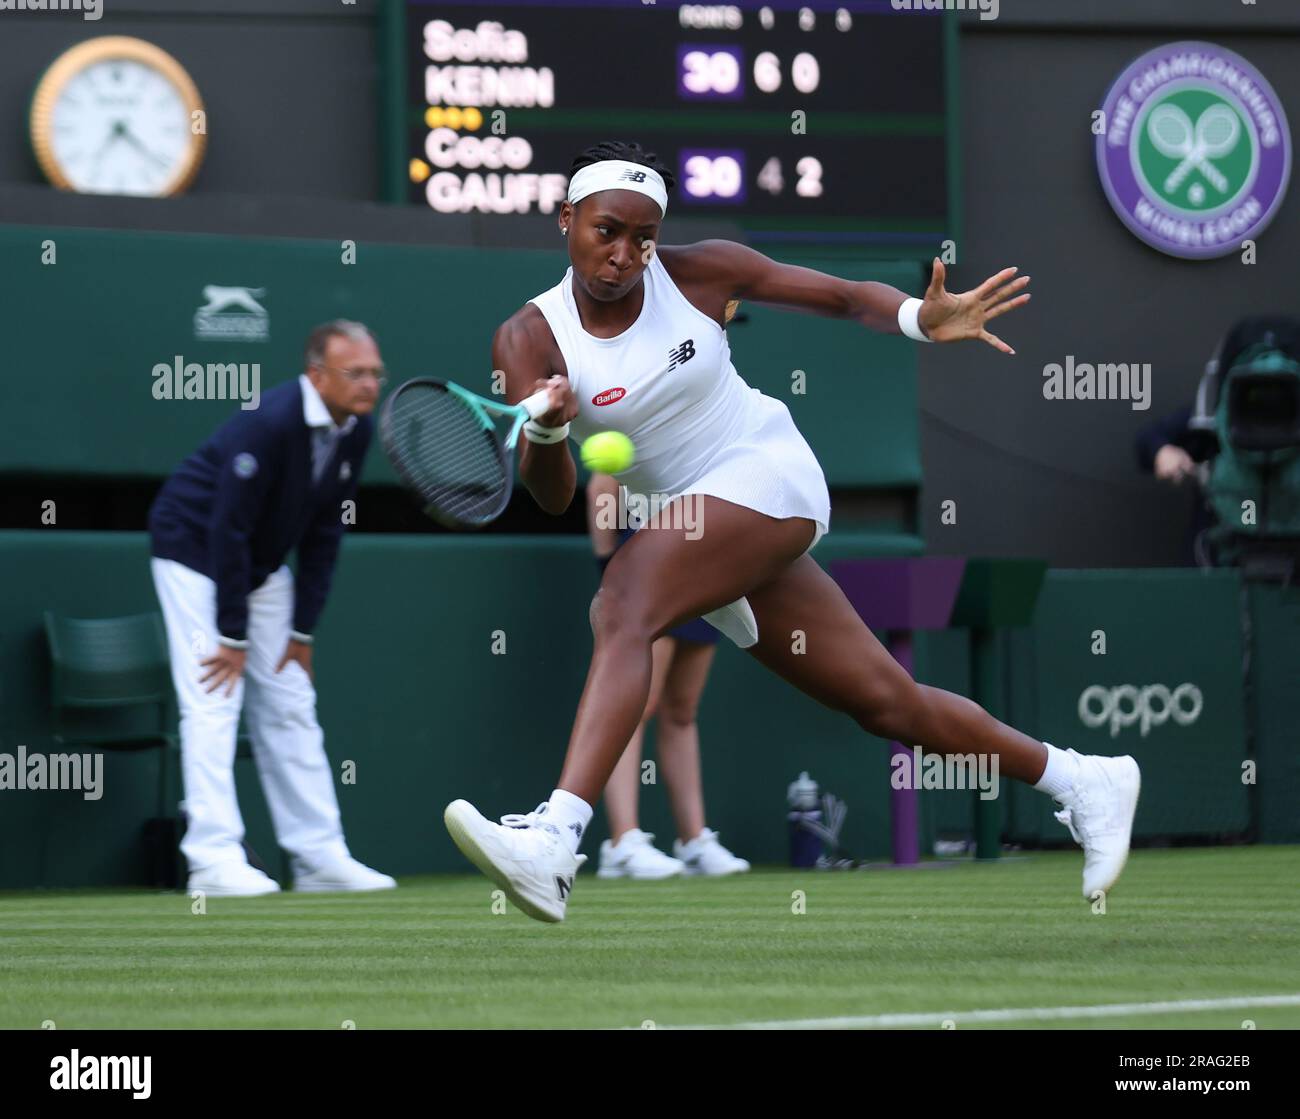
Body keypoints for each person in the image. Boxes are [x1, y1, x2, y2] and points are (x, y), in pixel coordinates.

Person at [444, 140, 1140, 923]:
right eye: (606, 230)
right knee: (887, 702)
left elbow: (841, 297)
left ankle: (555, 839)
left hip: (764, 474)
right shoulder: (526, 342)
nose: (624, 254)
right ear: (567, 219)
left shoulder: (701, 271)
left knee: (622, 601)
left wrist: (919, 316)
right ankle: (1084, 779)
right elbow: (550, 495)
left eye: (643, 237)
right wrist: (546, 434)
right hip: (695, 521)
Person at [148, 320, 396, 897]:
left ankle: (318, 858)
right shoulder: (270, 422)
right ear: (316, 375)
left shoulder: (355, 429)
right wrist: (232, 638)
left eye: (375, 373)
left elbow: (324, 534)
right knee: (212, 697)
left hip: (257, 567)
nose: (369, 385)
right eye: (354, 373)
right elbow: (226, 529)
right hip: (192, 550)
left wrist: (301, 630)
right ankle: (211, 859)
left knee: (290, 699)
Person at [587, 472, 748, 878]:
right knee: (635, 705)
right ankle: (622, 844)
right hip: (647, 562)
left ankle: (693, 840)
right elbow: (600, 487)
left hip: (703, 560)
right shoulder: (639, 416)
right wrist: (612, 567)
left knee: (681, 709)